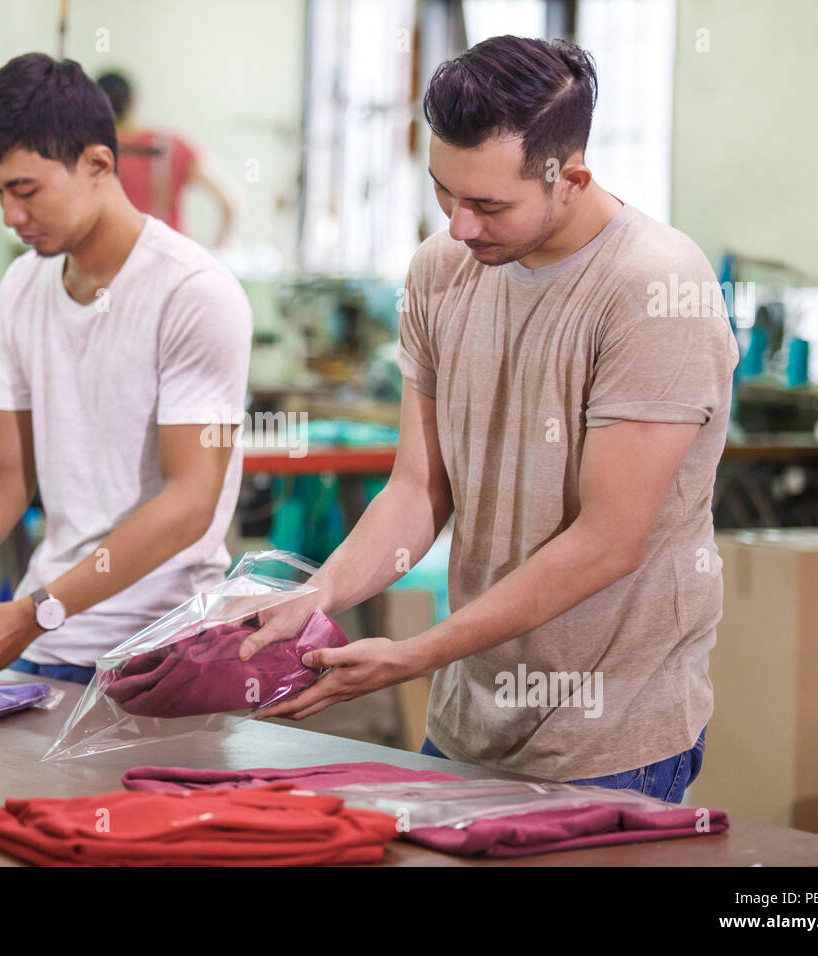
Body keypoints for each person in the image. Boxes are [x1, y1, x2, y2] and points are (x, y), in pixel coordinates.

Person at [244, 36, 737, 804]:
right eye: (446, 194)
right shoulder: (441, 269)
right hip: (469, 716)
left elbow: (609, 541)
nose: (462, 227)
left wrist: (414, 653)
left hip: (608, 733)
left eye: (490, 205)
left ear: (570, 178)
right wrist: (319, 593)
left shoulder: (654, 289)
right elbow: (418, 490)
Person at [0, 55, 251, 685]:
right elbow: (6, 474)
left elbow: (190, 502)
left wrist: (40, 611)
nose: (10, 215)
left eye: (26, 190)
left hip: (160, 652)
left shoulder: (194, 292)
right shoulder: (22, 287)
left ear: (97, 164)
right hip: (49, 640)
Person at [96, 70, 236, 247]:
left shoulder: (88, 152)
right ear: (132, 102)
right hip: (169, 258)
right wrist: (220, 249)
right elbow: (229, 201)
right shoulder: (170, 146)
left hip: (109, 259)